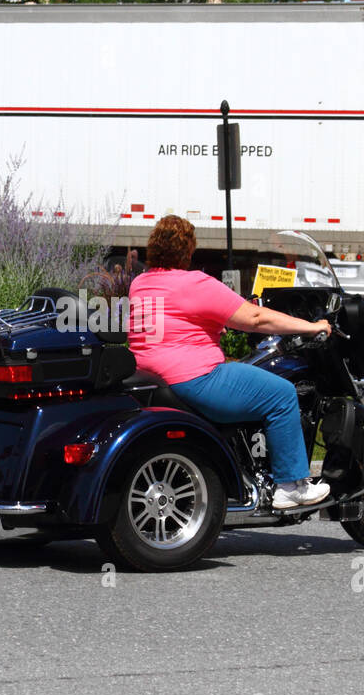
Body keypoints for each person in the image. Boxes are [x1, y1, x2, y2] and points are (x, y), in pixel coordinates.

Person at [128, 216, 333, 510]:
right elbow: (255, 318)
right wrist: (310, 327)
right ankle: (291, 486)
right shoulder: (194, 283)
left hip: (154, 376)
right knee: (282, 394)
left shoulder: (141, 283)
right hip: (196, 378)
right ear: (188, 250)